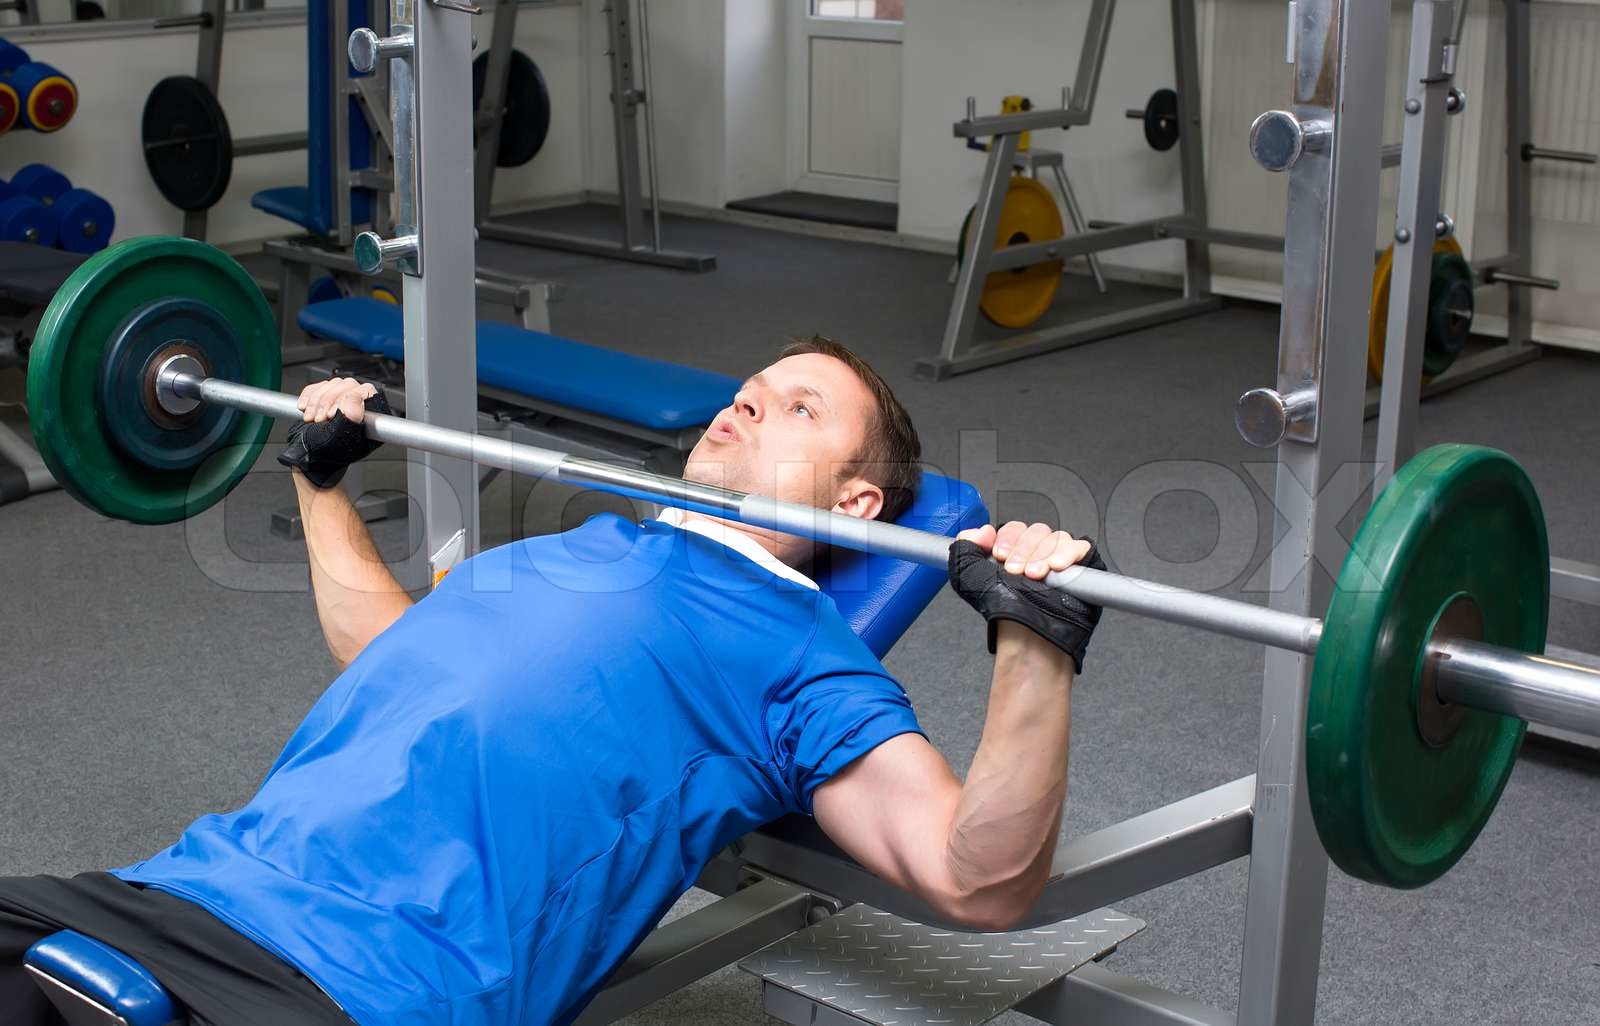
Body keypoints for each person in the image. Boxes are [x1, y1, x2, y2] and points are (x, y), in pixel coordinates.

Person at [0, 337, 1103, 1026]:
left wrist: (1035, 644)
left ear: (854, 506)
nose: (748, 404)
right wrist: (320, 480)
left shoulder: (796, 652)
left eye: (799, 409)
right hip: (180, 887)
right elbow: (391, 657)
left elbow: (978, 880)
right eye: (751, 389)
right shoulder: (578, 546)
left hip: (357, 983)